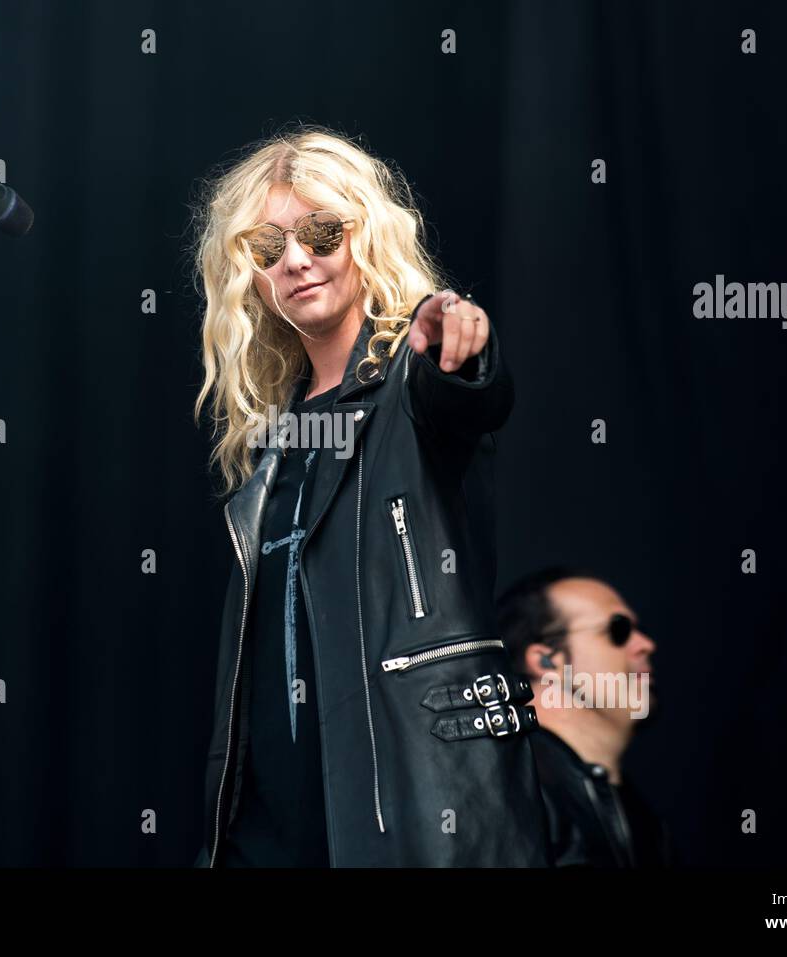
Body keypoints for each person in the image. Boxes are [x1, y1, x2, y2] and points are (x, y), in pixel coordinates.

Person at [189, 126, 549, 867]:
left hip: (407, 810)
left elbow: (469, 389)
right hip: (270, 830)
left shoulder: (412, 383)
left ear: (366, 234)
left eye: (321, 231)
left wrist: (461, 341)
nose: (296, 258)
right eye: (266, 246)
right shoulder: (273, 439)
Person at [496, 567, 672, 867]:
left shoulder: (645, 822)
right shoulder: (508, 794)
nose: (645, 644)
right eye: (618, 631)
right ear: (547, 661)